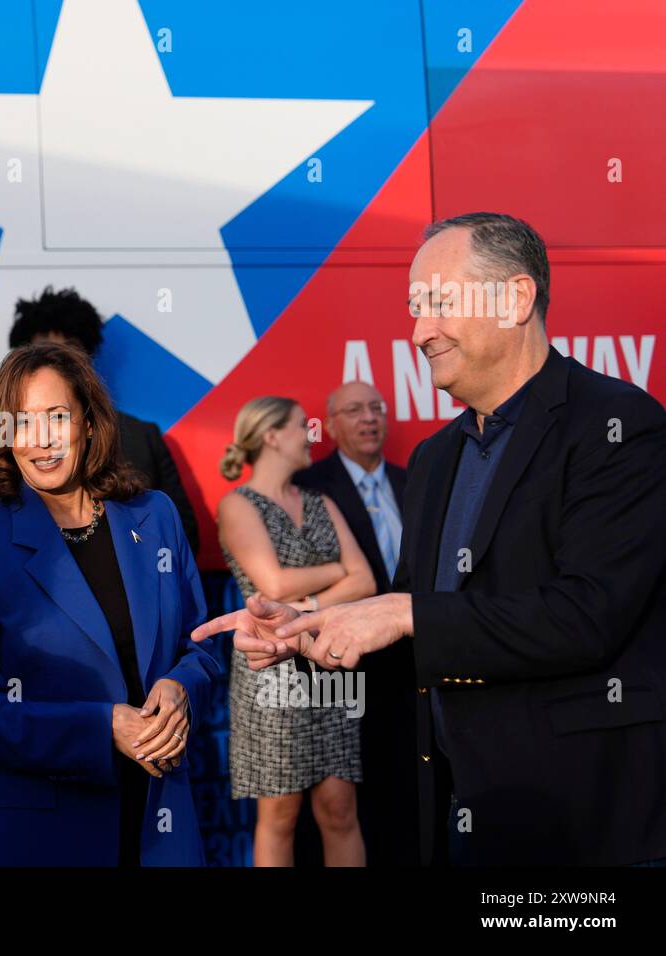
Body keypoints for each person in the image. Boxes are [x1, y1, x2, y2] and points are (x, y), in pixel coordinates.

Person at [198, 212, 666, 866]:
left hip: (584, 830)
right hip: (460, 821)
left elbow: (586, 616)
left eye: (440, 303)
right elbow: (419, 634)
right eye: (416, 309)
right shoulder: (435, 459)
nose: (419, 332)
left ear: (516, 299)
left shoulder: (616, 425)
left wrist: (400, 610)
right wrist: (307, 630)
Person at [0, 342, 219, 866]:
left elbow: (197, 645)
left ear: (89, 422)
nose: (41, 440)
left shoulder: (154, 516)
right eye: (21, 422)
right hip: (40, 836)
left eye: (57, 417)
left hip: (158, 822)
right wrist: (105, 726)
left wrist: (182, 689)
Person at [218, 396, 375, 866]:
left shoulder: (319, 501)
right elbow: (274, 583)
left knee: (340, 809)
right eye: (298, 427)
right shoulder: (238, 505)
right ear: (270, 436)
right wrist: (334, 572)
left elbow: (365, 580)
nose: (310, 435)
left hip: (333, 662)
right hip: (272, 669)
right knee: (281, 815)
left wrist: (305, 608)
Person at [0, 287, 201, 552]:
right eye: (43, 349)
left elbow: (182, 539)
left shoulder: (143, 438)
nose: (43, 439)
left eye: (69, 350)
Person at [293, 381, 417, 866]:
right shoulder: (308, 488)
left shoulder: (417, 481)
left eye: (376, 408)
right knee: (342, 807)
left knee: (408, 793)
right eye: (354, 410)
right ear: (332, 422)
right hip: (339, 674)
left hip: (414, 669)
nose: (369, 419)